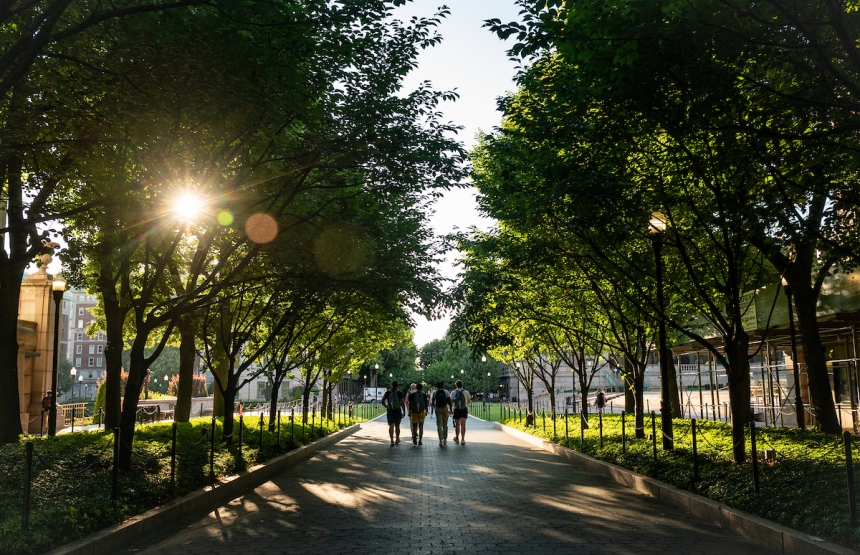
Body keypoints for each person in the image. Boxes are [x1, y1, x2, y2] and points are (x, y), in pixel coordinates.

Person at [381, 381, 405, 446]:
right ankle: (397, 439)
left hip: (390, 411)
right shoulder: (400, 393)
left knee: (391, 426)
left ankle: (391, 440)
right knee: (397, 426)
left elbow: (382, 401)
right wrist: (404, 411)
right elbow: (402, 402)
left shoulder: (388, 392)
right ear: (397, 386)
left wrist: (387, 406)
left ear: (392, 385)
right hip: (397, 411)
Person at [451, 380, 471, 445]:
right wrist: (465, 403)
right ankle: (462, 439)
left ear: (456, 385)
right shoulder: (466, 392)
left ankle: (457, 438)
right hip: (463, 409)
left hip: (456, 409)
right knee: (463, 425)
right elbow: (469, 400)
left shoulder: (453, 392)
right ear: (462, 385)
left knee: (457, 425)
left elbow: (451, 401)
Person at [431, 381, 451, 446]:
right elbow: (449, 401)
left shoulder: (435, 392)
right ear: (443, 385)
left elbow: (433, 402)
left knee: (439, 424)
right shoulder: (446, 392)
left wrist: (435, 408)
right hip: (445, 408)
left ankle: (440, 439)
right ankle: (445, 439)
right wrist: (450, 408)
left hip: (438, 408)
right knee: (445, 424)